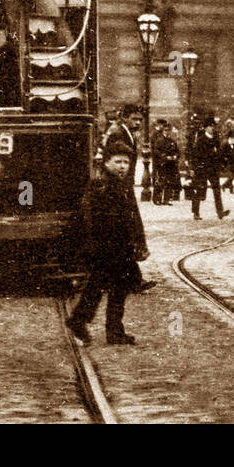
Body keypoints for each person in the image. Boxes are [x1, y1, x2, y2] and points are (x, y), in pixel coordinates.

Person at [66, 143, 149, 345]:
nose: (122, 166)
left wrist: (140, 241)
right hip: (106, 247)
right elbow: (89, 219)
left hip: (122, 247)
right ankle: (82, 322)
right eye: (117, 162)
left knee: (117, 289)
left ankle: (112, 331)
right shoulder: (99, 185)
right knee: (99, 287)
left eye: (126, 162)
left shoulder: (125, 185)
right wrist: (92, 247)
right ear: (107, 163)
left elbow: (134, 217)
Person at [189, 118, 229, 220]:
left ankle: (220, 211)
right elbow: (195, 155)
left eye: (213, 126)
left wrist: (221, 164)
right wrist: (193, 168)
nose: (212, 128)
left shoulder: (216, 139)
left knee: (217, 190)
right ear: (206, 128)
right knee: (199, 190)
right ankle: (196, 212)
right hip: (202, 168)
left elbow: (219, 153)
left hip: (213, 169)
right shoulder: (200, 140)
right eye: (210, 126)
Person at [152, 121, 180, 205]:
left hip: (171, 164)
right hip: (162, 164)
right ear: (163, 131)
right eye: (165, 130)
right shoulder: (159, 140)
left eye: (168, 130)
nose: (167, 132)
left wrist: (175, 156)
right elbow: (156, 151)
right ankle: (157, 199)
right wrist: (165, 157)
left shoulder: (172, 141)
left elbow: (177, 151)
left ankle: (166, 199)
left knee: (169, 181)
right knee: (160, 181)